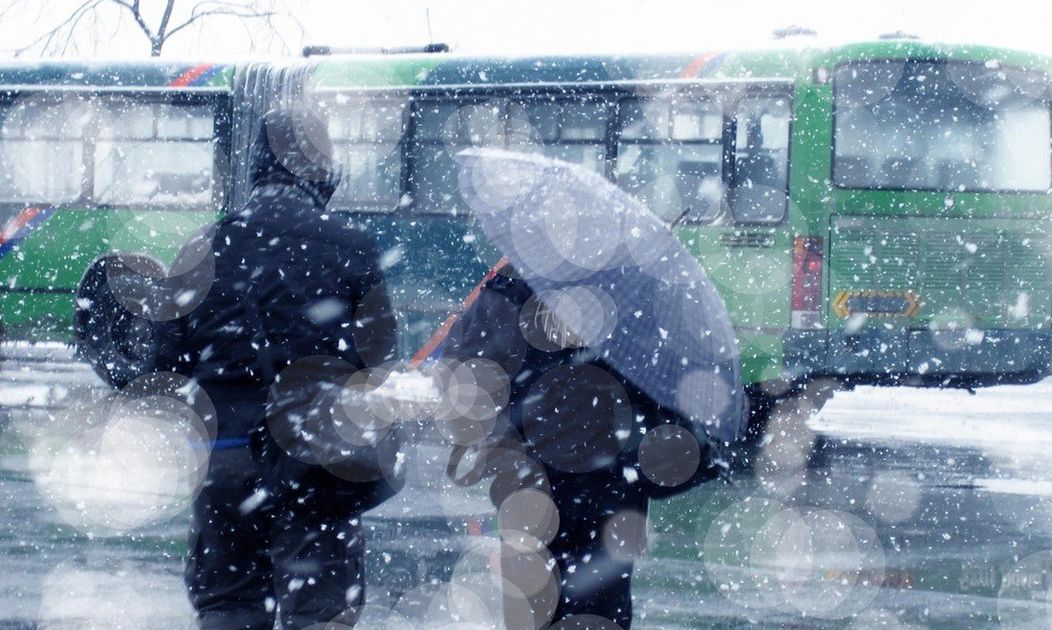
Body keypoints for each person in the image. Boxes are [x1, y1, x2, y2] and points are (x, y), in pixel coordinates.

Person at [171, 108, 398, 629]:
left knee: (229, 605)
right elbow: (379, 363)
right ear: (323, 170)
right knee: (319, 611)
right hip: (314, 457)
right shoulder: (353, 248)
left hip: (223, 460)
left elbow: (169, 355)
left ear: (257, 168)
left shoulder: (203, 248)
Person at [439, 265, 721, 629]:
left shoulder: (512, 288)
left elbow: (462, 385)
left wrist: (504, 442)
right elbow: (659, 396)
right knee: (598, 609)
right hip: (610, 493)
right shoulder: (630, 293)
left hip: (530, 488)